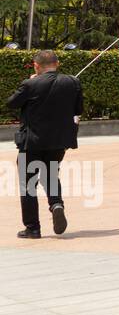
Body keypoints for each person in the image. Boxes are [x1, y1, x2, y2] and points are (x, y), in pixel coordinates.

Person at [6, 49, 82, 239]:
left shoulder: (30, 84)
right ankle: (56, 204)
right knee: (50, 175)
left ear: (36, 66)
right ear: (57, 64)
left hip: (32, 142)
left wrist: (31, 82)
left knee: (29, 184)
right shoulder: (73, 82)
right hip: (58, 142)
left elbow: (12, 103)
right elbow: (78, 109)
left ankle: (33, 228)